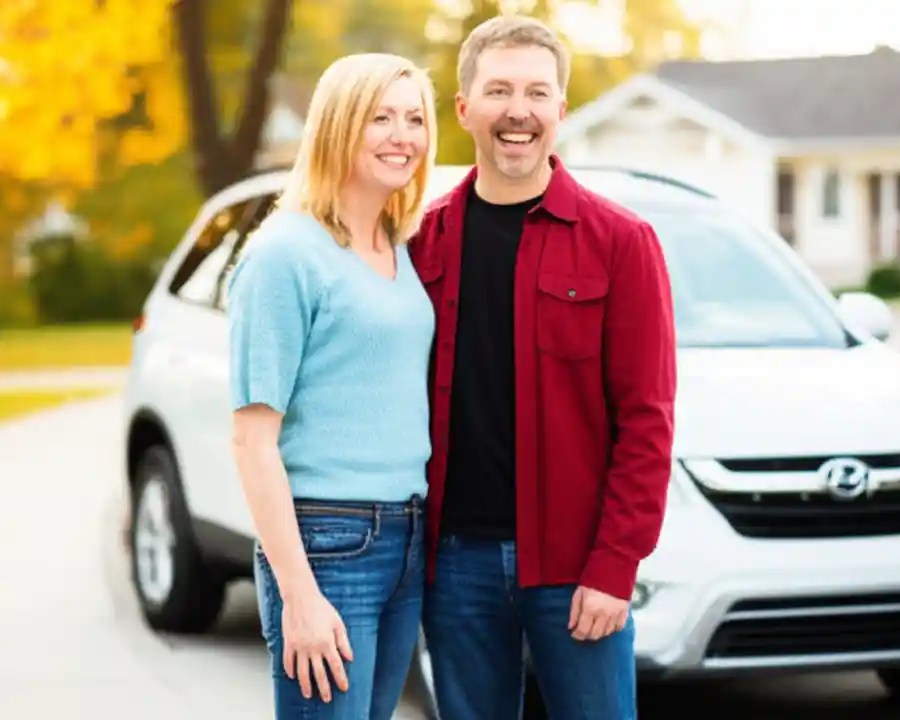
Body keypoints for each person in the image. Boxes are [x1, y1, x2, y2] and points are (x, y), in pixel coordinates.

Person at [409, 15, 678, 719]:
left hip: (576, 569)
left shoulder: (622, 243)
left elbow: (647, 424)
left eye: (537, 92)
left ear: (561, 108)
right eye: (498, 91)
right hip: (456, 567)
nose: (518, 112)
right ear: (465, 108)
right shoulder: (422, 241)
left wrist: (615, 567)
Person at [226, 52, 438, 719]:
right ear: (339, 126)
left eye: (414, 119)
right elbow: (252, 440)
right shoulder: (285, 252)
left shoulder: (396, 245)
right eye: (381, 117)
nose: (402, 136)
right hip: (329, 541)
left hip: (407, 532)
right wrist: (299, 594)